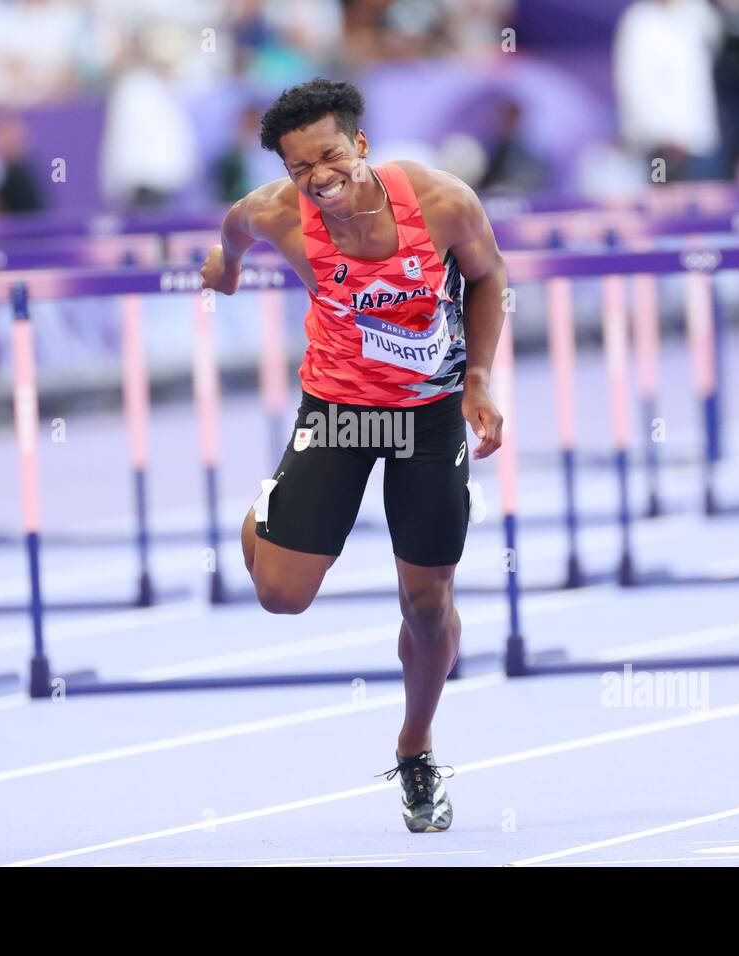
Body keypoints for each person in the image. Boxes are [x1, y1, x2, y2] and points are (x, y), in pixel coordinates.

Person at [201, 78, 505, 833]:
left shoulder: (442, 202)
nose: (321, 178)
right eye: (302, 168)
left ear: (361, 145)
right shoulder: (277, 212)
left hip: (428, 420)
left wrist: (478, 380)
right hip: (340, 413)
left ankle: (415, 747)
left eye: (332, 156)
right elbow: (232, 230)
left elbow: (490, 276)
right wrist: (228, 271)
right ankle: (272, 509)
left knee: (428, 605)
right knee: (280, 594)